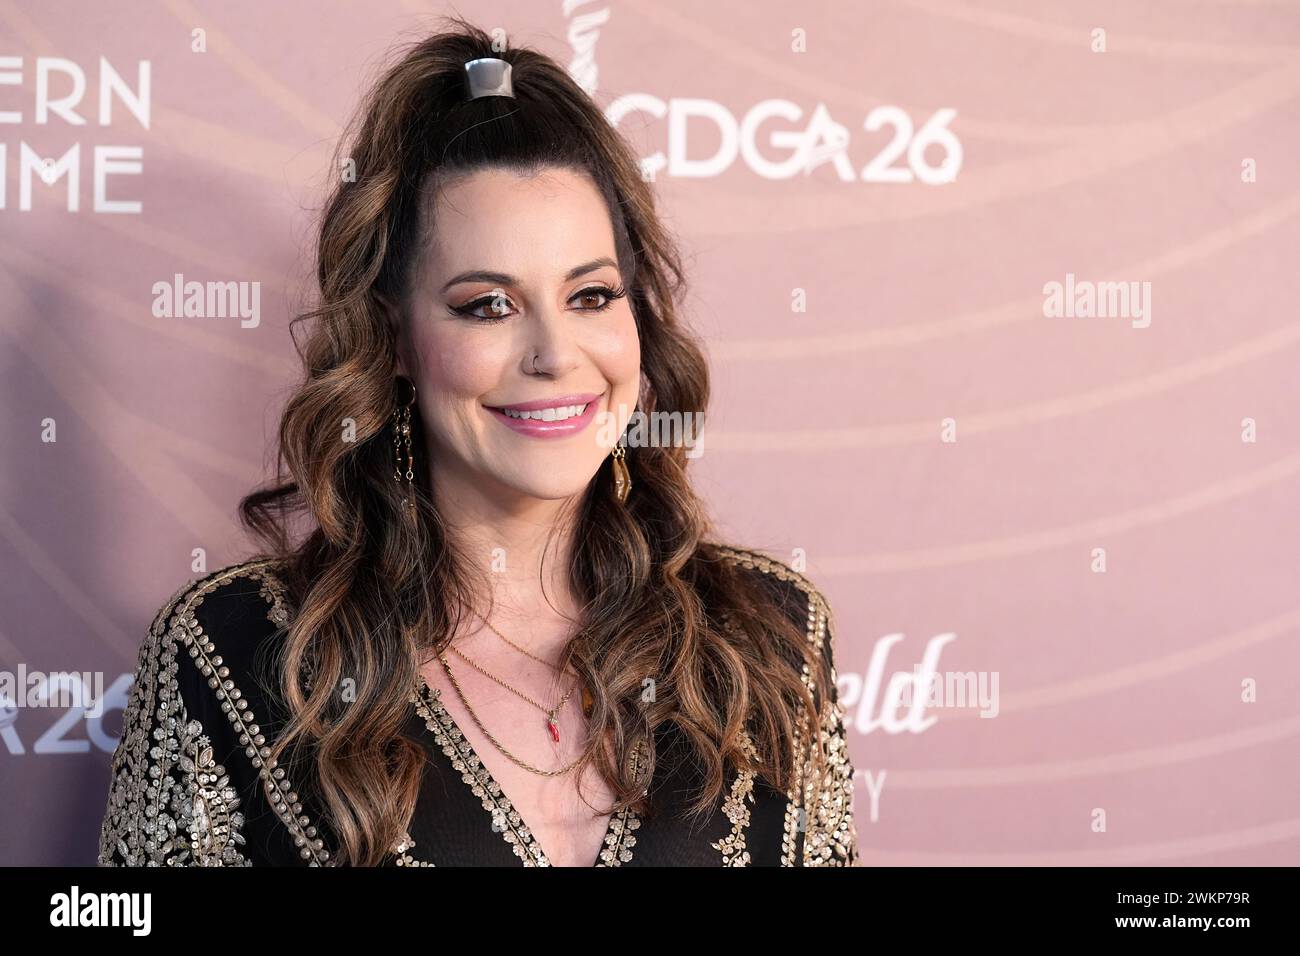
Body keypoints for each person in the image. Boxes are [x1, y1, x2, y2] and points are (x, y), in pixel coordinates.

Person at [96, 18, 857, 867]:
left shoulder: (772, 640)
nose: (555, 355)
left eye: (592, 295)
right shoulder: (236, 655)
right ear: (394, 339)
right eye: (487, 304)